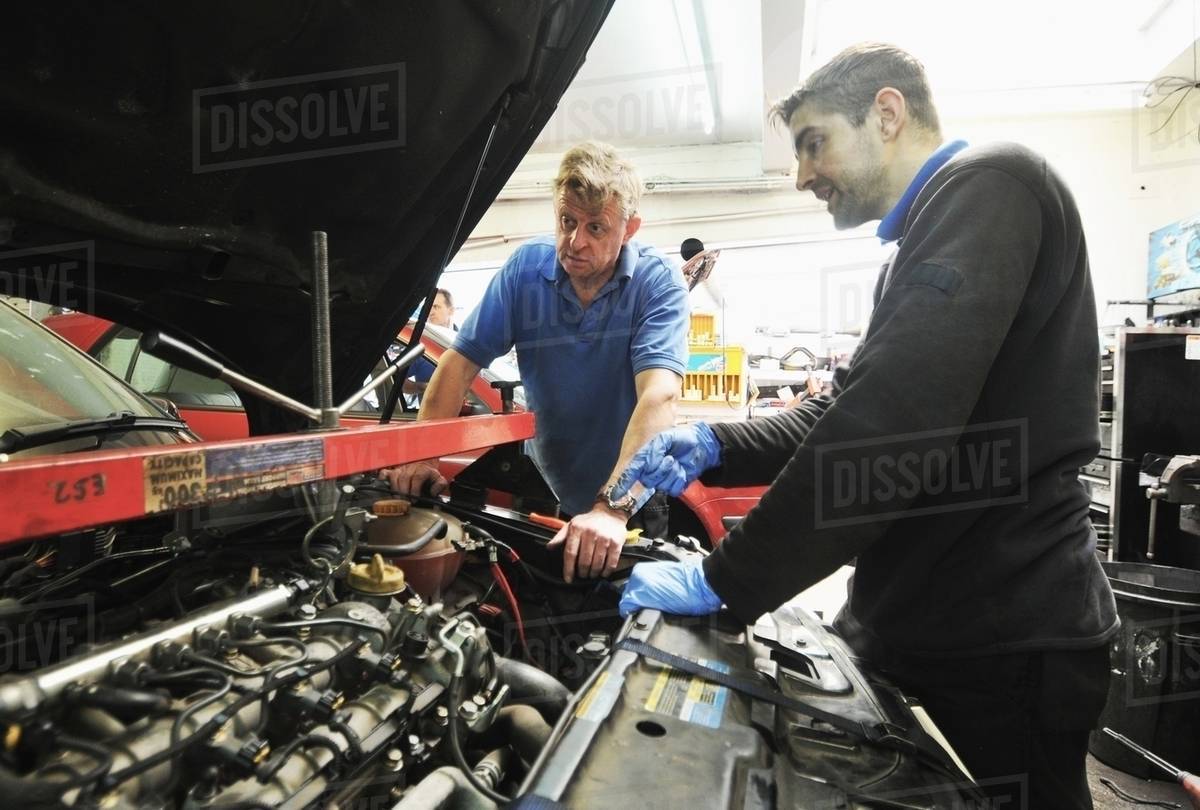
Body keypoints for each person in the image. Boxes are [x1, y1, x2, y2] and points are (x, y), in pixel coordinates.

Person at [616, 44, 1117, 810]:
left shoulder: (990, 184)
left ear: (887, 113)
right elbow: (848, 404)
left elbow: (892, 422)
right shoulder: (918, 244)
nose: (801, 175)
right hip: (915, 618)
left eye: (813, 143)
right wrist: (717, 444)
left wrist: (727, 580)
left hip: (1004, 634)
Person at [383, 141, 689, 583]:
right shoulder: (526, 271)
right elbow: (459, 362)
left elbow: (660, 395)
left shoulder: (656, 283)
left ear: (630, 229)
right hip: (544, 488)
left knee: (622, 612)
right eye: (567, 221)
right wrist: (424, 457)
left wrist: (610, 509)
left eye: (596, 228)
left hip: (629, 498)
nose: (575, 242)